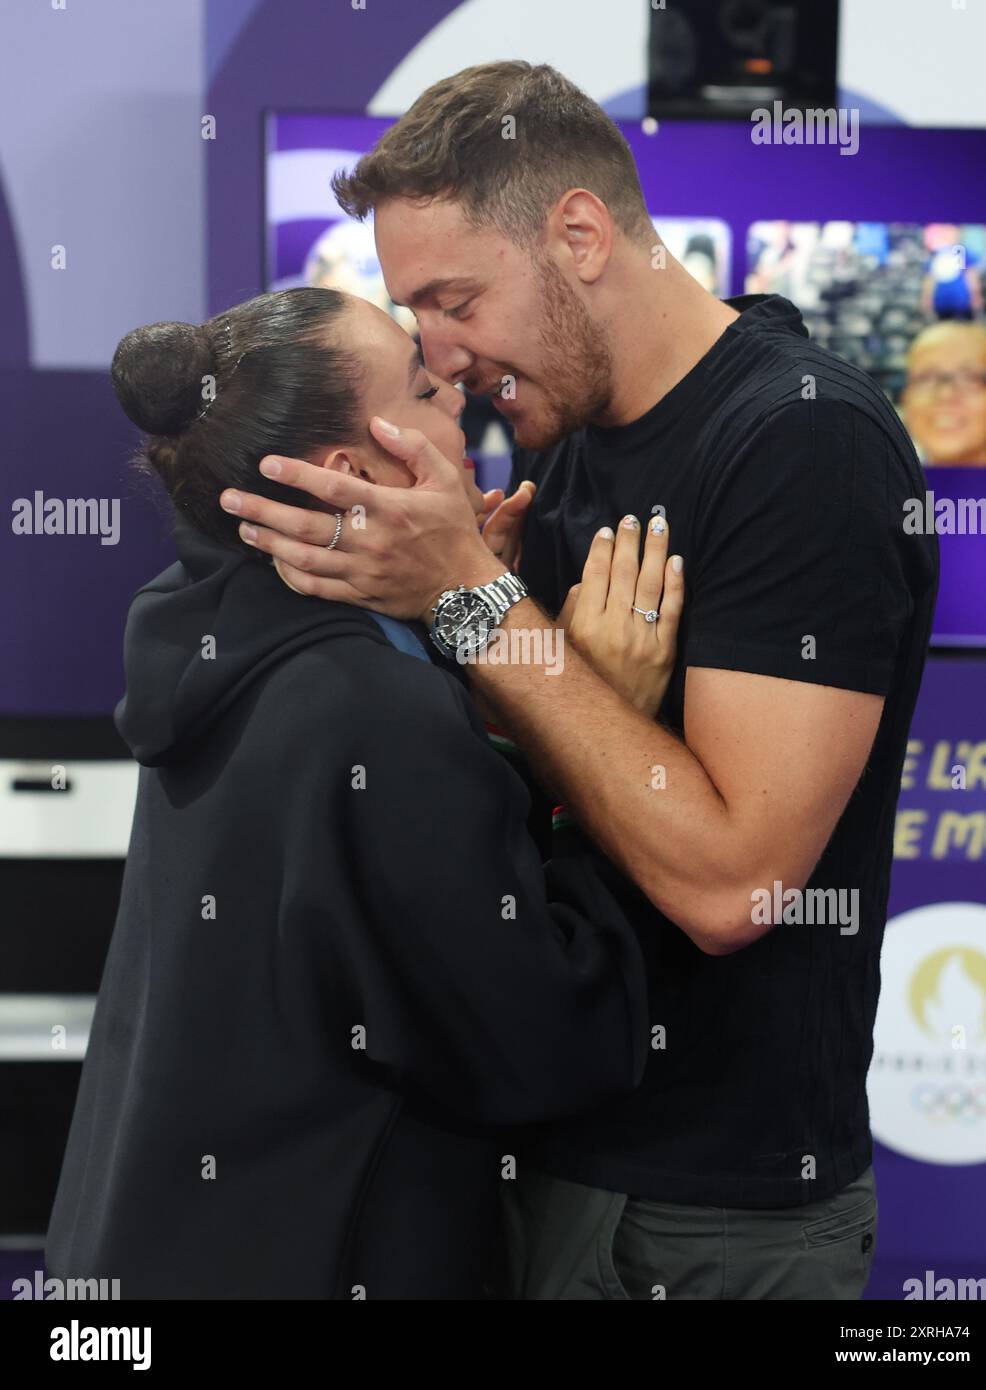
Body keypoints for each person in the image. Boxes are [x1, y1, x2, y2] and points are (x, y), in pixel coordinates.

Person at [220, 62, 941, 1301]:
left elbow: (734, 883)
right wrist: (495, 641)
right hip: (538, 1156)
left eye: (454, 301)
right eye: (414, 318)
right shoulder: (574, 445)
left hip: (708, 1211)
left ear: (580, 233)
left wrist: (485, 613)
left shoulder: (802, 443)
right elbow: (559, 785)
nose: (439, 359)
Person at [44, 286, 685, 1300]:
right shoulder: (364, 707)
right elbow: (544, 1042)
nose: (462, 406)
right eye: (428, 393)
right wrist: (591, 746)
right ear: (353, 476)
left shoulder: (214, 636)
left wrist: (460, 635)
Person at [901, 322, 986, 468]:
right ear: (906, 400)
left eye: (969, 378)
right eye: (926, 377)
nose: (945, 395)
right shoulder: (886, 488)